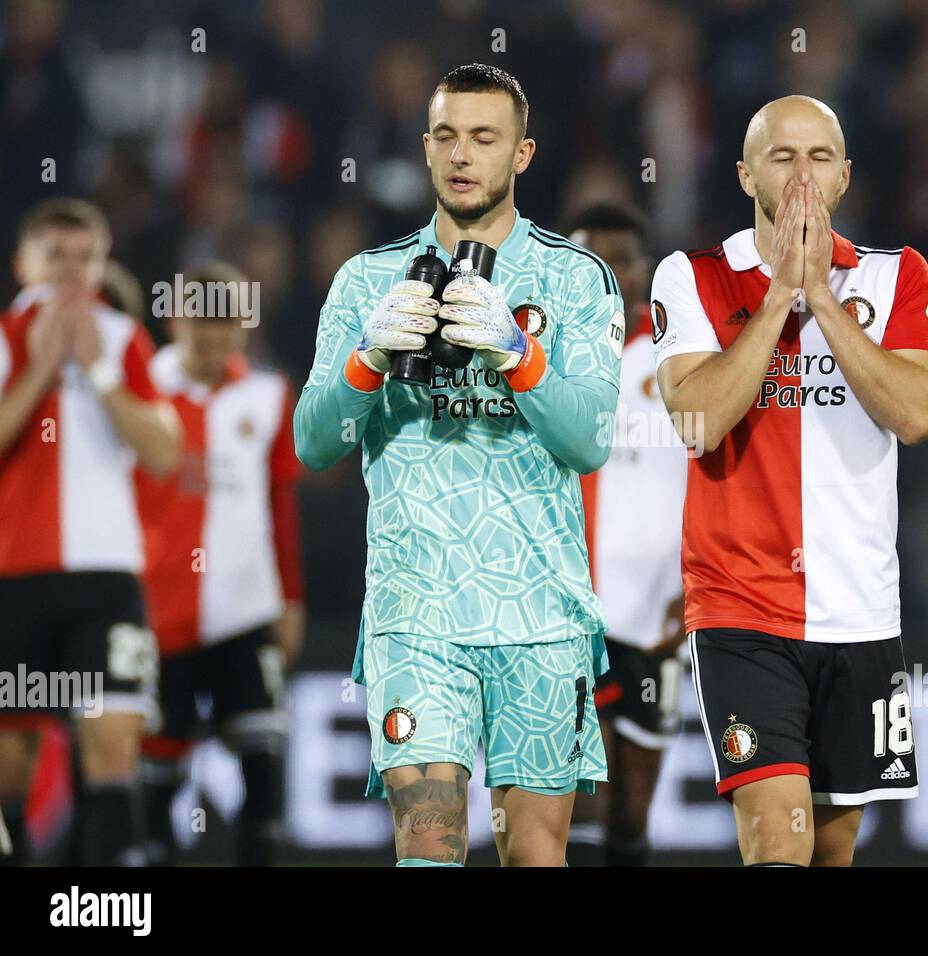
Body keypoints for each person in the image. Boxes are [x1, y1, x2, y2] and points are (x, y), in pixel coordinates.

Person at [294, 64, 623, 867]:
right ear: (425, 148)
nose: (461, 155)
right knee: (429, 842)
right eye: (445, 136)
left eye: (484, 137)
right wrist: (367, 360)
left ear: (522, 154)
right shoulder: (367, 280)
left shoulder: (576, 278)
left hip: (541, 612)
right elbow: (313, 443)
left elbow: (588, 442)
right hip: (416, 610)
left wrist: (519, 353)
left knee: (535, 852)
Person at [652, 96, 928, 866]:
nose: (802, 175)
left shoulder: (896, 275)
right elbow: (697, 423)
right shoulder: (693, 277)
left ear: (845, 176)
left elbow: (917, 412)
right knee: (778, 841)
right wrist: (782, 291)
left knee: (832, 852)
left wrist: (822, 296)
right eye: (782, 157)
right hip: (742, 608)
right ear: (746, 174)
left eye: (819, 157)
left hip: (860, 611)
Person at [0, 198, 180, 865]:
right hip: (12, 577)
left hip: (106, 579)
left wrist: (98, 372)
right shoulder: (4, 337)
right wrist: (41, 367)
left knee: (112, 744)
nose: (71, 271)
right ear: (23, 264)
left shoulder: (122, 337)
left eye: (86, 257)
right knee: (9, 763)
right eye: (56, 255)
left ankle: (109, 906)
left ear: (103, 265)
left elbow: (165, 452)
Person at [135, 260, 304, 866]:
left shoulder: (269, 394)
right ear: (174, 321)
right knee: (154, 788)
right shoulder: (140, 389)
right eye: (199, 321)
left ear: (243, 325)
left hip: (245, 609)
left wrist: (290, 598)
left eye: (225, 321)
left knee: (265, 768)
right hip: (159, 615)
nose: (212, 336)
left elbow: (280, 503)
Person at [565, 203, 688, 867]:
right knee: (583, 796)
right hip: (564, 615)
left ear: (645, 271)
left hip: (653, 617)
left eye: (621, 260)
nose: (607, 273)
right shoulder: (536, 359)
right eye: (591, 258)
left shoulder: (681, 362)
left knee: (630, 816)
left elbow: (714, 482)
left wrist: (694, 587)